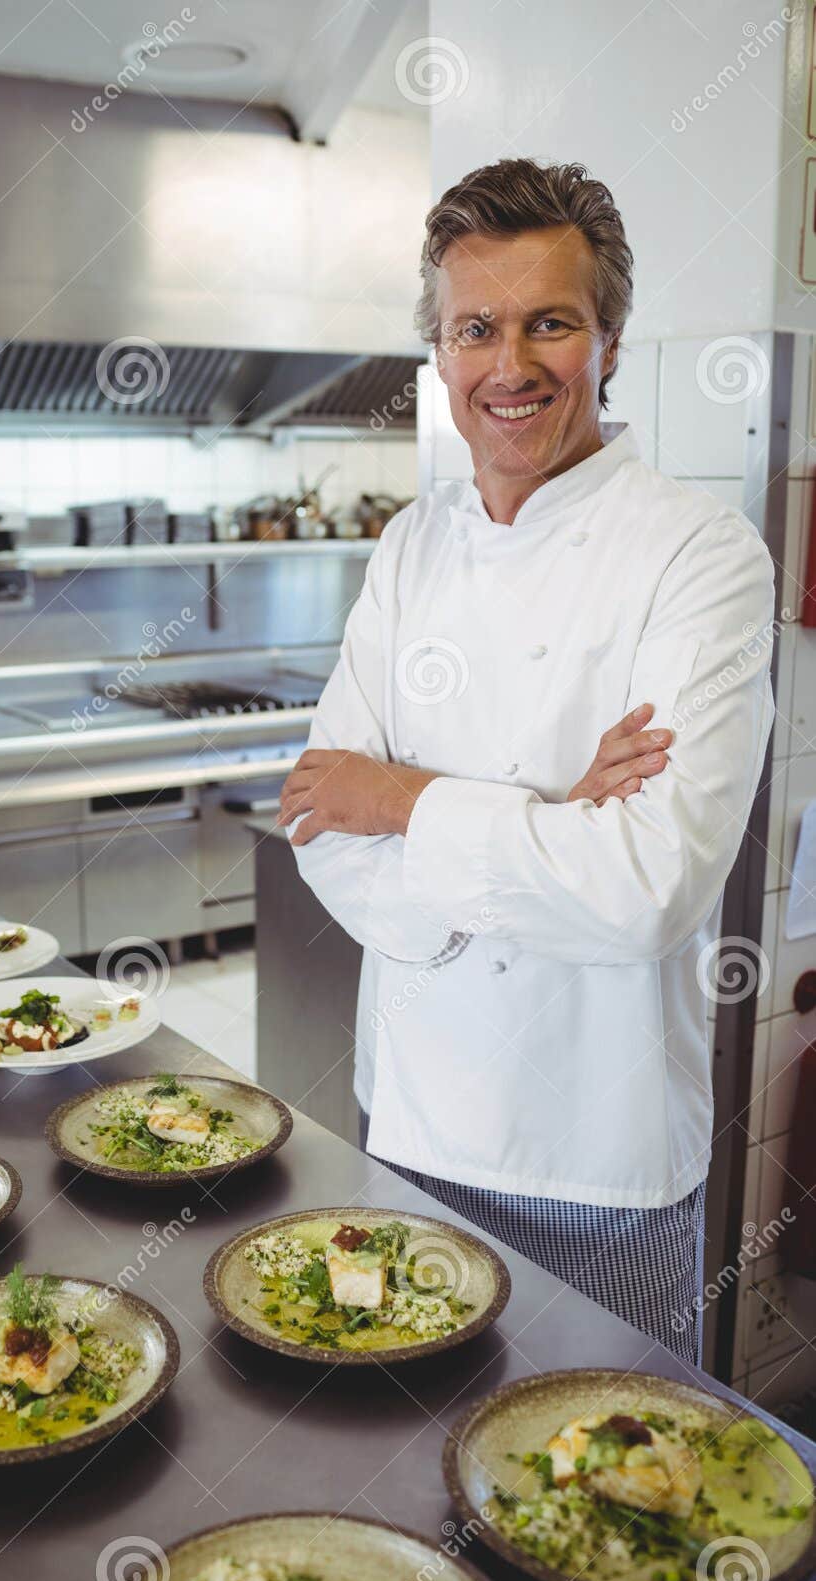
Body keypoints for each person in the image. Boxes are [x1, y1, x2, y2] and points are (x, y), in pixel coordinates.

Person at [278, 157, 775, 1365]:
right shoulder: (410, 544)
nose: (508, 366)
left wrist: (401, 799)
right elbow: (316, 823)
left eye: (548, 323)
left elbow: (645, 889)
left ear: (607, 339)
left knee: (606, 1464)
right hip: (408, 1125)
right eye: (474, 330)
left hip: (598, 1159)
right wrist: (551, 816)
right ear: (438, 353)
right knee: (398, 1458)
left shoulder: (700, 556)